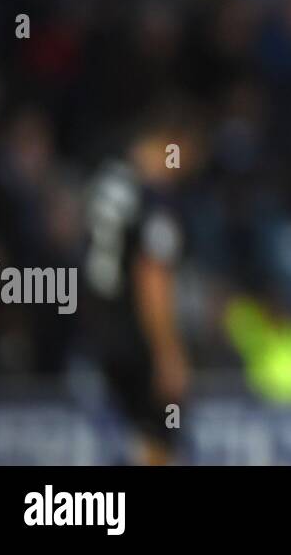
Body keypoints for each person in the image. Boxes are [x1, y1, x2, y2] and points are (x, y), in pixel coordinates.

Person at [80, 102, 200, 465]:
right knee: (158, 440)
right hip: (135, 335)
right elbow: (152, 276)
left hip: (93, 327)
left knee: (132, 437)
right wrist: (168, 352)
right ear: (172, 143)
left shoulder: (108, 177)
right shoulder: (155, 197)